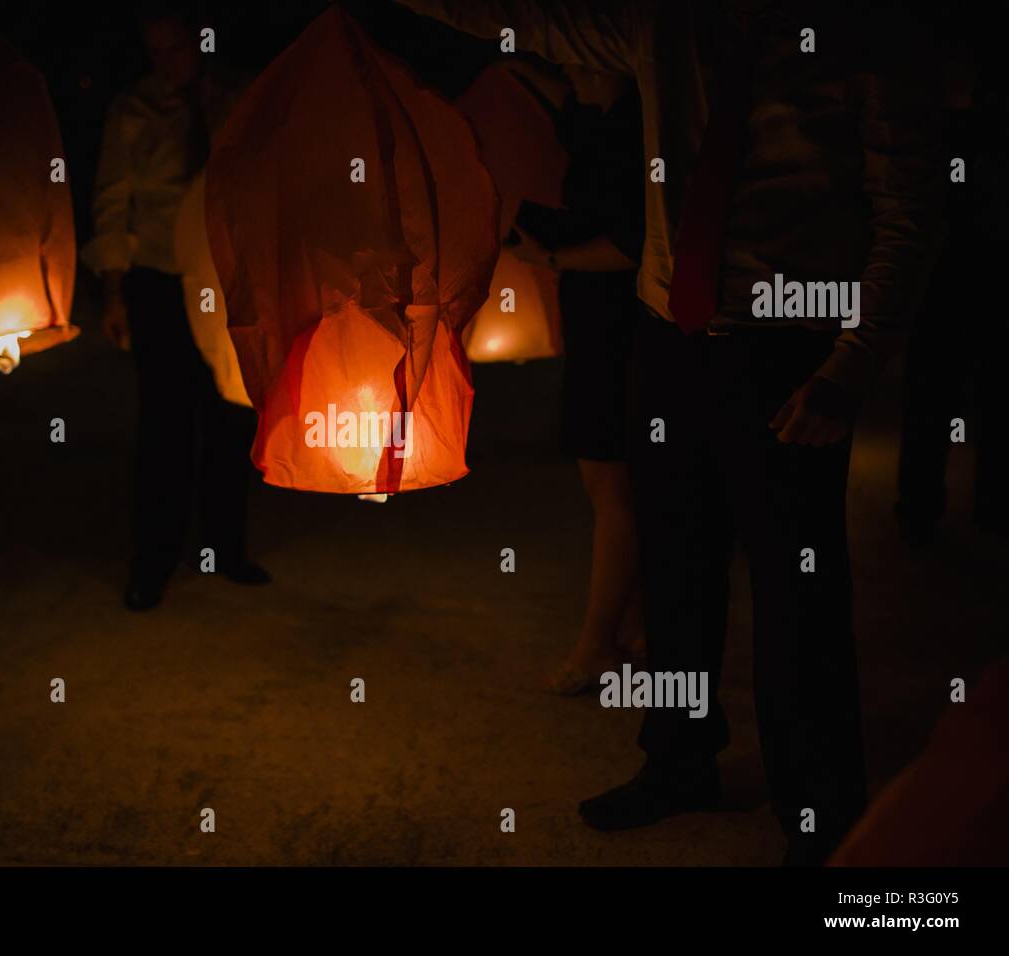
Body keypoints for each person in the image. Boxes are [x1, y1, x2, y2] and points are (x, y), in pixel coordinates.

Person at [398, 0, 943, 865]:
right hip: (670, 339)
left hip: (789, 348)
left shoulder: (861, 40)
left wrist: (848, 370)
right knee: (676, 566)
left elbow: (907, 216)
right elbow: (525, 21)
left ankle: (821, 804)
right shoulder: (667, 26)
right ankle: (679, 759)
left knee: (798, 588)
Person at [85, 4, 270, 611]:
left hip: (225, 277)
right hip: (160, 277)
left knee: (229, 412)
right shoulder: (134, 111)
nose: (167, 61)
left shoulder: (240, 97)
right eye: (155, 50)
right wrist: (113, 291)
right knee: (165, 422)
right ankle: (153, 561)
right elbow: (114, 202)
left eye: (177, 46)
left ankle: (225, 547)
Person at [507, 64, 646, 694]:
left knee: (611, 484)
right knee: (618, 484)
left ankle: (598, 647)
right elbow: (537, 77)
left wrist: (552, 256)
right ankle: (638, 629)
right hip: (599, 316)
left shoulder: (630, 125)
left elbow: (635, 241)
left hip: (620, 320)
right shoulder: (589, 110)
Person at [895, 39, 1008, 545]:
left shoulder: (938, 133)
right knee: (946, 395)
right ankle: (965, 506)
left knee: (935, 396)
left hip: (947, 280)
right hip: (959, 280)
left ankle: (924, 507)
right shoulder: (957, 135)